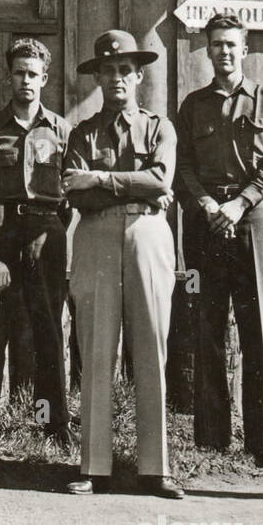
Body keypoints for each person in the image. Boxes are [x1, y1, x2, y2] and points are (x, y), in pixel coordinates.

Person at [62, 29, 184, 498]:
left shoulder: (159, 127)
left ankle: (155, 468)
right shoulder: (82, 132)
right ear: (98, 78)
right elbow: (75, 188)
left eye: (124, 71)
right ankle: (94, 466)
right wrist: (122, 183)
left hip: (147, 234)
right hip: (94, 235)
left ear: (138, 75)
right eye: (107, 71)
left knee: (151, 343)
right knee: (95, 346)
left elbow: (160, 180)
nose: (115, 79)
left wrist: (101, 177)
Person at [174, 12, 263, 466]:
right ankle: (212, 435)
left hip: (253, 220)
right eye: (216, 44)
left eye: (231, 44)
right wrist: (205, 204)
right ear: (207, 50)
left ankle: (261, 438)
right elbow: (182, 164)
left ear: (245, 49)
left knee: (255, 326)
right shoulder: (193, 105)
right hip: (205, 224)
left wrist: (239, 204)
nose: (223, 51)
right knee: (207, 324)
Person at [0, 38, 73, 446]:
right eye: (19, 73)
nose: (26, 81)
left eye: (33, 74)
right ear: (9, 76)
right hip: (4, 236)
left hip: (47, 235)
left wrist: (51, 229)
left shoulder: (60, 130)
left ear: (45, 78)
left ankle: (54, 426)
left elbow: (69, 193)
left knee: (49, 330)